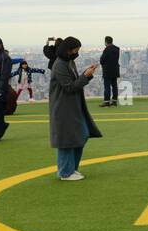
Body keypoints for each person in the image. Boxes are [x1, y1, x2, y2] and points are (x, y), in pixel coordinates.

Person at [49, 36, 102, 180]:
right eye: (75, 50)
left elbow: (75, 81)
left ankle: (71, 168)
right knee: (67, 139)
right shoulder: (60, 64)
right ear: (68, 50)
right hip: (63, 107)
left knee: (81, 134)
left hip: (72, 105)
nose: (76, 53)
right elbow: (69, 87)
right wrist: (86, 76)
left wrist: (86, 75)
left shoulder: (69, 62)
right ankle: (65, 172)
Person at [99, 36, 121, 107]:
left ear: (106, 42)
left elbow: (102, 61)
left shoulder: (106, 49)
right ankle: (114, 101)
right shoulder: (117, 49)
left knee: (107, 86)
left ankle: (106, 101)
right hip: (115, 70)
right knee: (114, 86)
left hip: (107, 71)